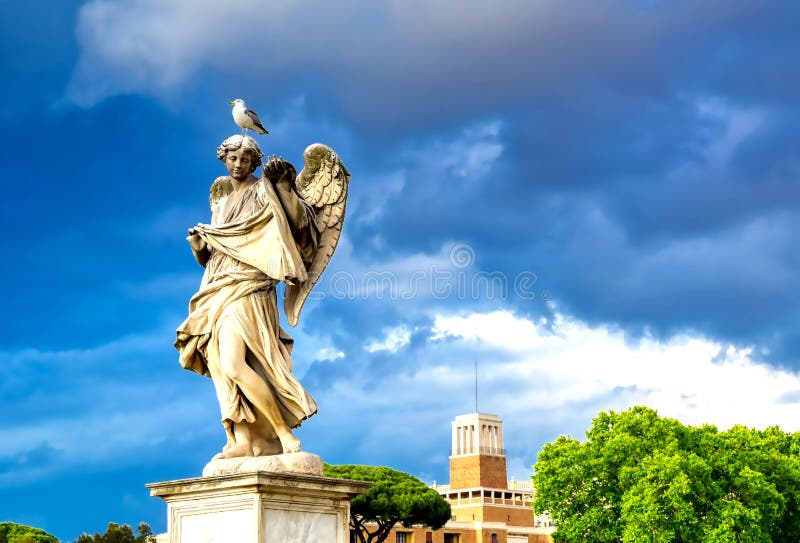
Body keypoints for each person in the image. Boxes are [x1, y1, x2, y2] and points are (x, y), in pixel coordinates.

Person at [175, 135, 318, 458]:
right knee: (222, 367)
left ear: (255, 162)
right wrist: (200, 247)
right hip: (217, 284)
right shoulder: (223, 202)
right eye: (232, 159)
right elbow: (214, 253)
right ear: (223, 159)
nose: (238, 165)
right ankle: (241, 439)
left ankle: (282, 433)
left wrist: (283, 186)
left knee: (235, 363)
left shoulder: (264, 189)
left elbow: (297, 225)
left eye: (245, 160)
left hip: (250, 284)